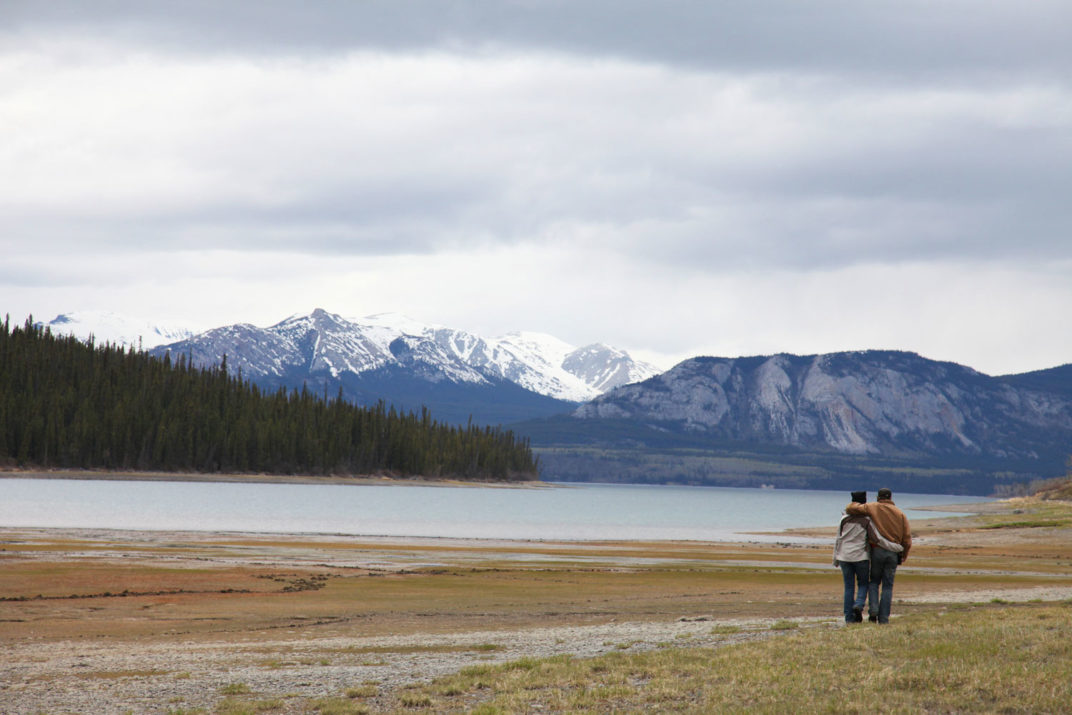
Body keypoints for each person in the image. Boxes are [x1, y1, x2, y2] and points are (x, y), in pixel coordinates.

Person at [833, 491, 904, 623]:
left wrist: (835, 559)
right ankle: (860, 605)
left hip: (844, 556)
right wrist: (897, 548)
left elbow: (838, 539)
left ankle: (849, 618)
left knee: (849, 587)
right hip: (861, 557)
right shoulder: (867, 520)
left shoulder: (843, 519)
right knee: (864, 584)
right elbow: (877, 539)